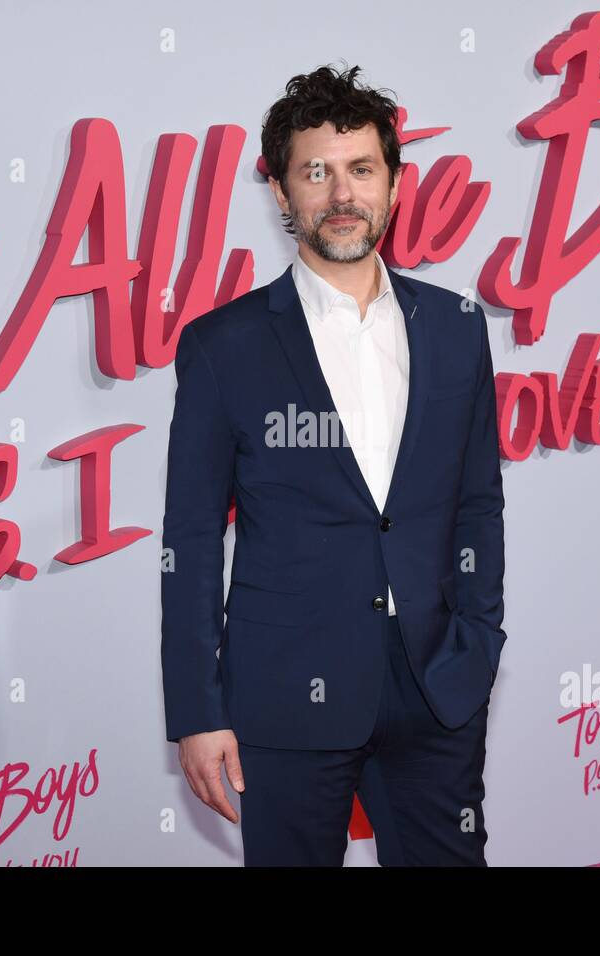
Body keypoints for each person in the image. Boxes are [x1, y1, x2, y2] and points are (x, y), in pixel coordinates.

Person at [160, 63, 506, 866]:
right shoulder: (224, 347)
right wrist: (197, 710)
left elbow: (478, 505)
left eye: (361, 170)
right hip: (284, 695)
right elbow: (191, 538)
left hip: (436, 687)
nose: (341, 194)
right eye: (315, 172)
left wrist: (479, 641)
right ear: (281, 192)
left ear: (393, 186)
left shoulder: (457, 327)